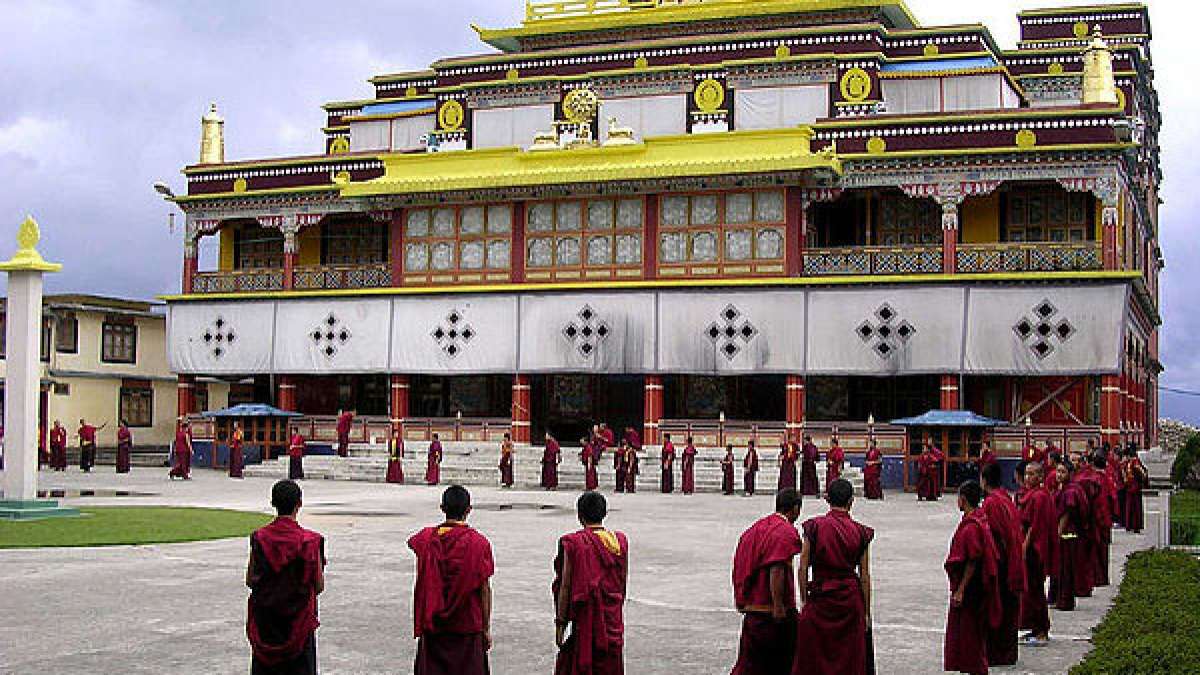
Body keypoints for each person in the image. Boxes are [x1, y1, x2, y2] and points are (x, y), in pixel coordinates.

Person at [408, 486, 494, 675]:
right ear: (469, 509)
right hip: (467, 627)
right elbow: (484, 589)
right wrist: (486, 628)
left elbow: (414, 545)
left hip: (435, 626)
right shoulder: (479, 544)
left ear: (442, 508)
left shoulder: (427, 539)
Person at [793, 479, 874, 675]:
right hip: (850, 599)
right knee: (849, 658)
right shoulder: (861, 532)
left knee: (815, 657)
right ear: (851, 501)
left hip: (821, 597)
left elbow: (803, 567)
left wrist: (804, 600)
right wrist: (866, 612)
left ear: (827, 499)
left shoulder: (814, 527)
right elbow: (864, 576)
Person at [246, 480, 326, 675]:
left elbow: (250, 579)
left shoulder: (260, 537)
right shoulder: (310, 541)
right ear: (299, 503)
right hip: (298, 623)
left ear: (273, 503)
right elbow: (319, 585)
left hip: (267, 622)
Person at [554, 492, 629, 675]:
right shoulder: (619, 541)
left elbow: (565, 585)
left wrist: (561, 623)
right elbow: (622, 581)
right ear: (605, 513)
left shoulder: (574, 543)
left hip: (586, 623)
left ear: (579, 515)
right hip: (612, 621)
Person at [731, 488, 804, 675]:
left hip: (752, 610)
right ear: (795, 509)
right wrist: (778, 605)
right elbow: (777, 568)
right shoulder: (785, 532)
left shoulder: (754, 529)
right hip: (772, 613)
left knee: (750, 666)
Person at [944, 480, 1003, 675]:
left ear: (962, 500)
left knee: (970, 633)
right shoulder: (980, 519)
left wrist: (961, 589)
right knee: (971, 632)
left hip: (971, 588)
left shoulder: (971, 527)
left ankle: (976, 669)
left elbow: (973, 559)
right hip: (975, 585)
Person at [979, 463, 1026, 667]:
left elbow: (994, 536)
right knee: (1008, 608)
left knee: (998, 607)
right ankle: (1008, 653)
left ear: (983, 480)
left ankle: (997, 655)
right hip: (1011, 558)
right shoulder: (1005, 498)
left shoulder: (991, 503)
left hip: (1001, 561)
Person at [1018, 463, 1055, 646]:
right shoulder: (1031, 495)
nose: (1027, 478)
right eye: (1026, 474)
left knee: (1035, 590)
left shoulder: (1040, 497)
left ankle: (1041, 631)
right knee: (1031, 590)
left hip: (1034, 549)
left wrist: (1024, 547)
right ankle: (1035, 628)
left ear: (1041, 477)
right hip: (1030, 546)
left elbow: (1035, 525)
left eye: (1032, 474)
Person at [1050, 461, 1087, 611]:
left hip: (1068, 533)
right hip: (1064, 532)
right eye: (1058, 471)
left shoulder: (1071, 491)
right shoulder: (1062, 489)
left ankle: (1065, 601)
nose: (1059, 475)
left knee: (1065, 569)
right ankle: (1058, 598)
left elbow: (1067, 513)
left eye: (1063, 472)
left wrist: (1058, 533)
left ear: (1070, 474)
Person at [1123, 447, 1147, 534]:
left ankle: (1133, 526)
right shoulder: (1130, 462)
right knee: (1133, 507)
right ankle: (1132, 525)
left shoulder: (1134, 462)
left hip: (1134, 487)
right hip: (1132, 487)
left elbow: (1142, 473)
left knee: (1133, 507)